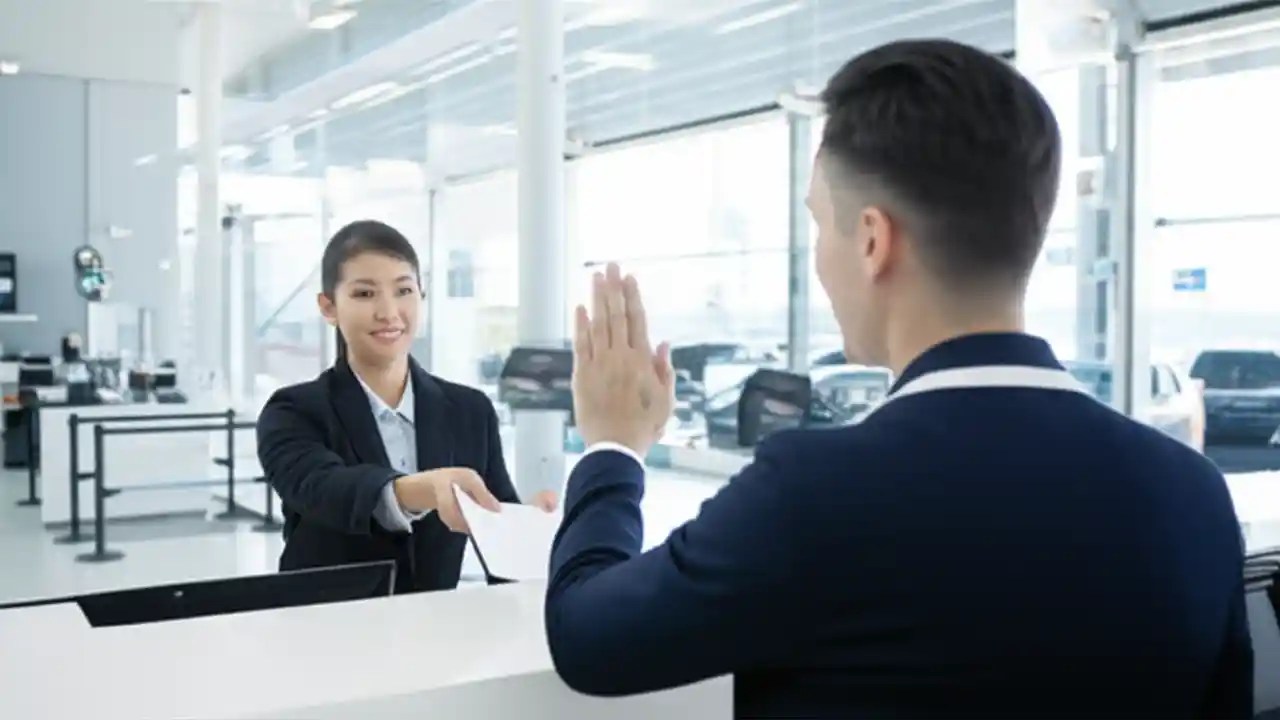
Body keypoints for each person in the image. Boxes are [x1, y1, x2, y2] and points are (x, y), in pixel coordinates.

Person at [545, 40, 1252, 718]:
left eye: (820, 226)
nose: (819, 260)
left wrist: (614, 446)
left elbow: (588, 636)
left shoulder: (816, 494)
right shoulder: (1192, 495)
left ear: (872, 240)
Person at [256, 220, 555, 594]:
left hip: (432, 622)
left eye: (404, 291)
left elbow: (498, 534)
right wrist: (422, 489)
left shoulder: (469, 411)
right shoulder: (292, 412)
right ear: (329, 307)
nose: (389, 312)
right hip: (325, 621)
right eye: (365, 294)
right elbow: (326, 490)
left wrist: (532, 530)